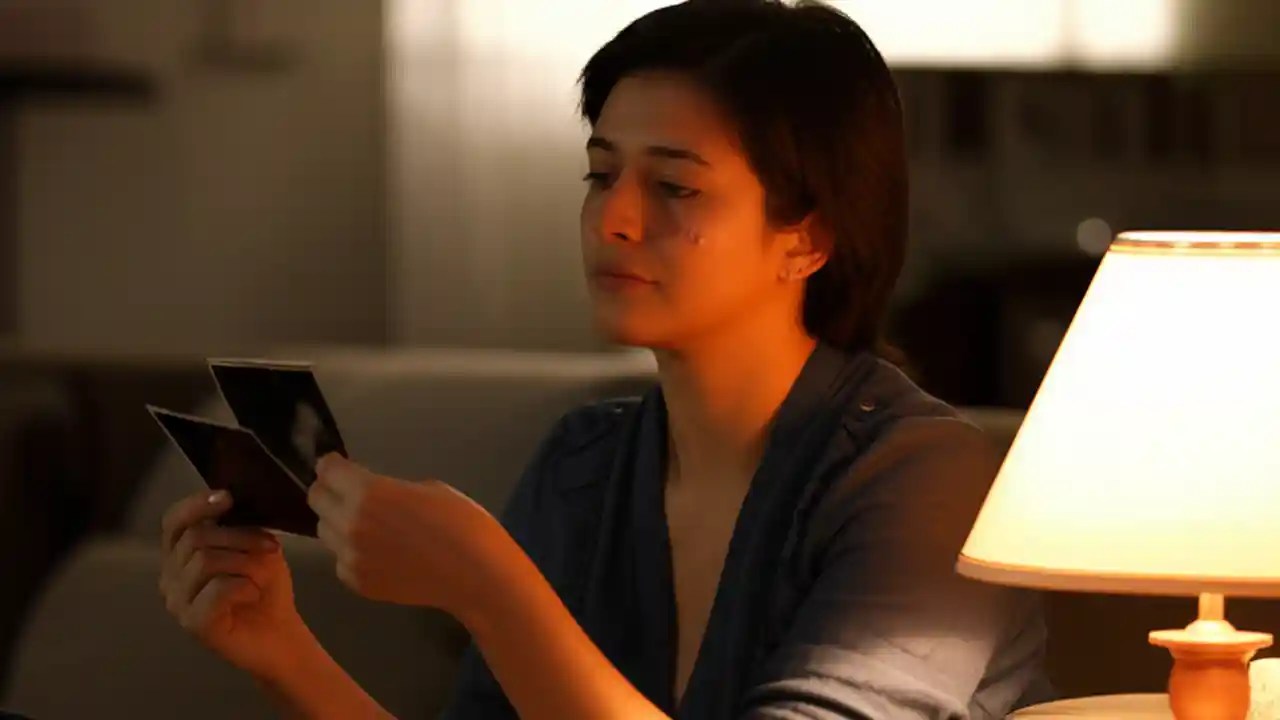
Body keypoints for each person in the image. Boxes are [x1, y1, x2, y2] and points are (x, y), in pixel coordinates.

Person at [156, 1, 1050, 717]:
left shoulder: (928, 479)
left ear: (806, 239)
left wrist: (493, 589)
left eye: (673, 185)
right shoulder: (583, 464)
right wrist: (283, 653)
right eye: (598, 173)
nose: (612, 217)